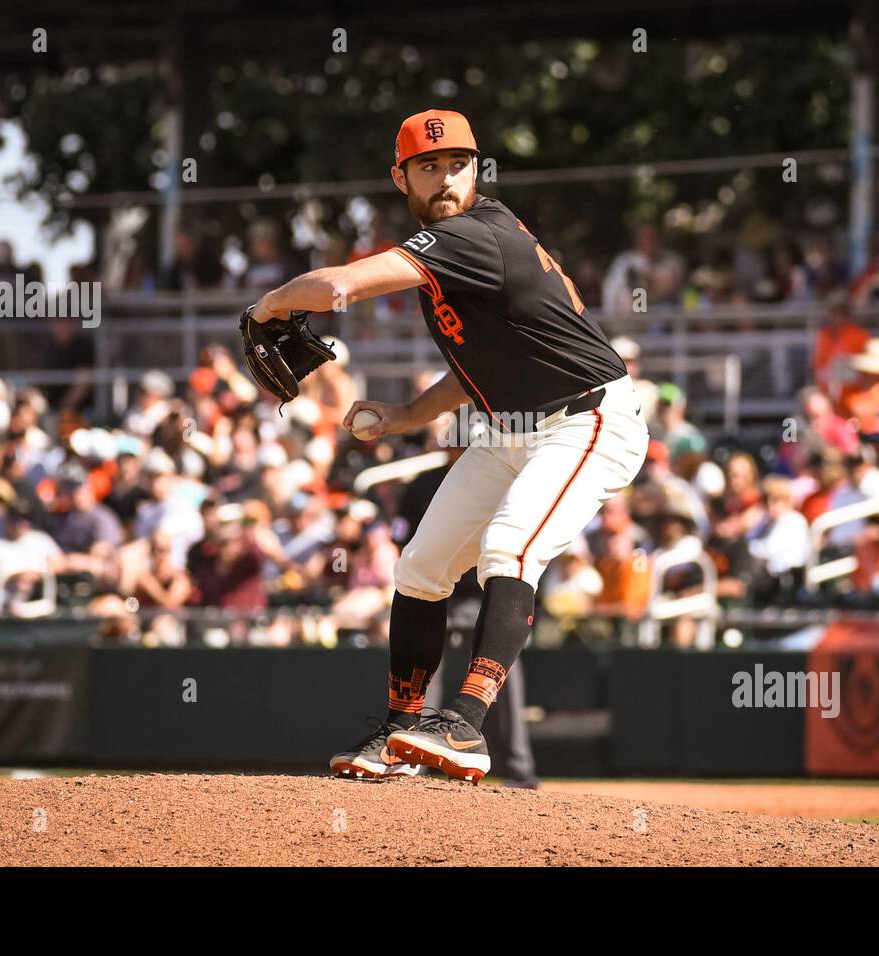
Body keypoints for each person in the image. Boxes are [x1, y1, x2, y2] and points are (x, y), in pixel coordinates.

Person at [247, 109, 649, 782]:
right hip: (510, 429)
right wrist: (408, 413)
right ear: (400, 176)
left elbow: (341, 286)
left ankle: (464, 724)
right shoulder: (451, 254)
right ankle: (404, 730)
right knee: (420, 569)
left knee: (508, 549)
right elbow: (479, 365)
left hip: (588, 421)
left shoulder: (476, 234)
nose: (445, 177)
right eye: (428, 166)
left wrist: (268, 306)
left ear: (476, 170)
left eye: (457, 163)